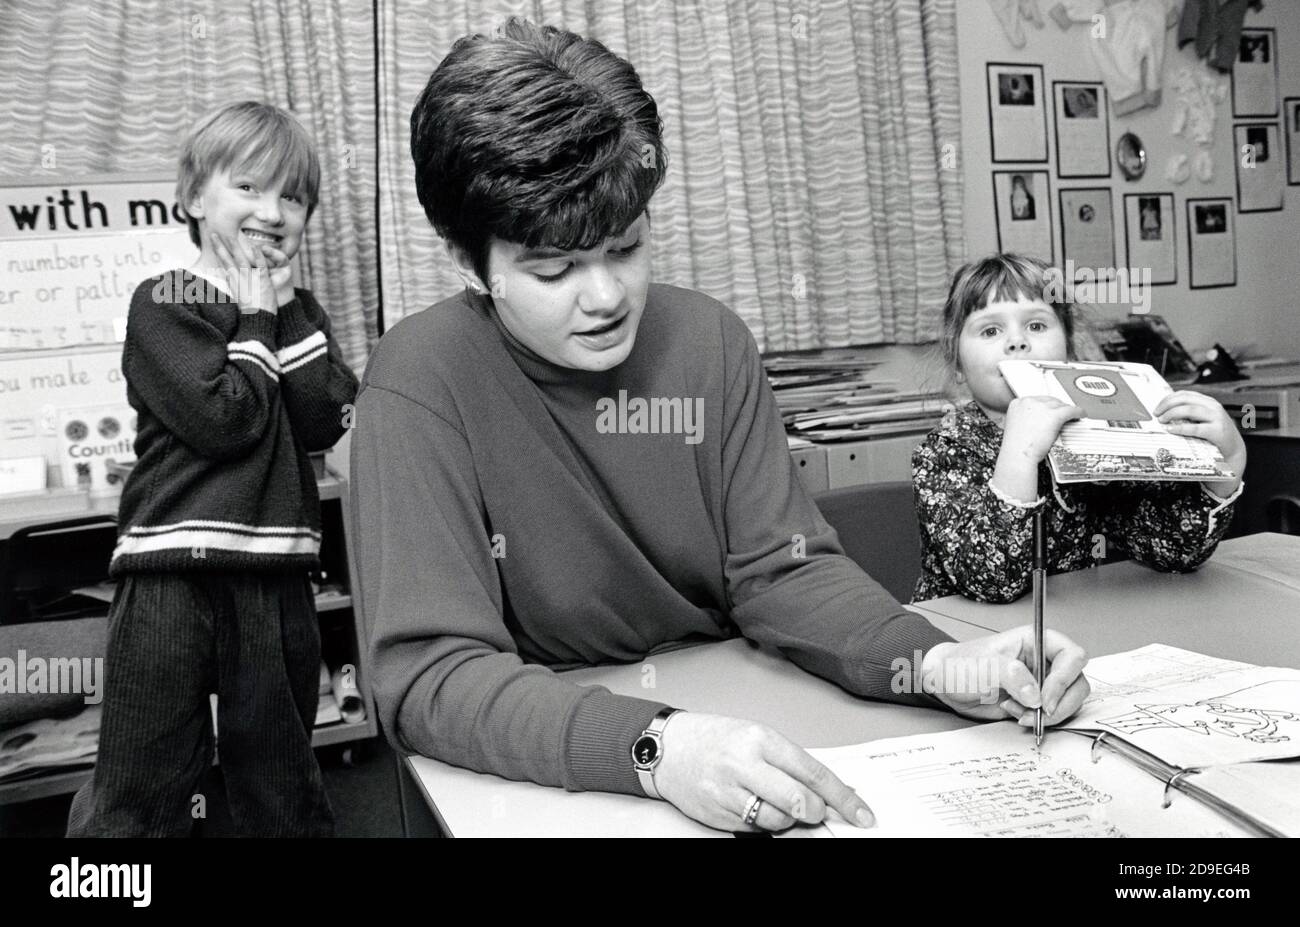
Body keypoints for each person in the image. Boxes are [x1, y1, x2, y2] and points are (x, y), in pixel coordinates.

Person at [352, 19, 1090, 835]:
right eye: (554, 268)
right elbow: (430, 676)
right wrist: (655, 747)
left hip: (736, 728)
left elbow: (783, 573)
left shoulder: (710, 340)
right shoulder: (420, 377)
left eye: (626, 247)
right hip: (555, 768)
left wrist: (936, 662)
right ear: (467, 261)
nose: (604, 296)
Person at [67, 101, 358, 836]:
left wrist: (286, 311)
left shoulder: (297, 312)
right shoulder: (166, 300)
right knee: (143, 778)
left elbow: (326, 419)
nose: (274, 211)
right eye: (251, 188)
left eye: (293, 197)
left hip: (276, 576)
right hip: (170, 572)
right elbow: (225, 419)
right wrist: (259, 321)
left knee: (281, 775)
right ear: (196, 198)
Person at [911, 253, 1246, 605]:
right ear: (958, 363)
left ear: (1068, 350)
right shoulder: (944, 452)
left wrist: (1226, 462)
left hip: (1076, 627)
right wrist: (1021, 455)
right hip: (970, 641)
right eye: (991, 330)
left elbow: (1173, 550)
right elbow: (994, 584)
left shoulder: (1096, 434)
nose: (1017, 342)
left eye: (1036, 326)